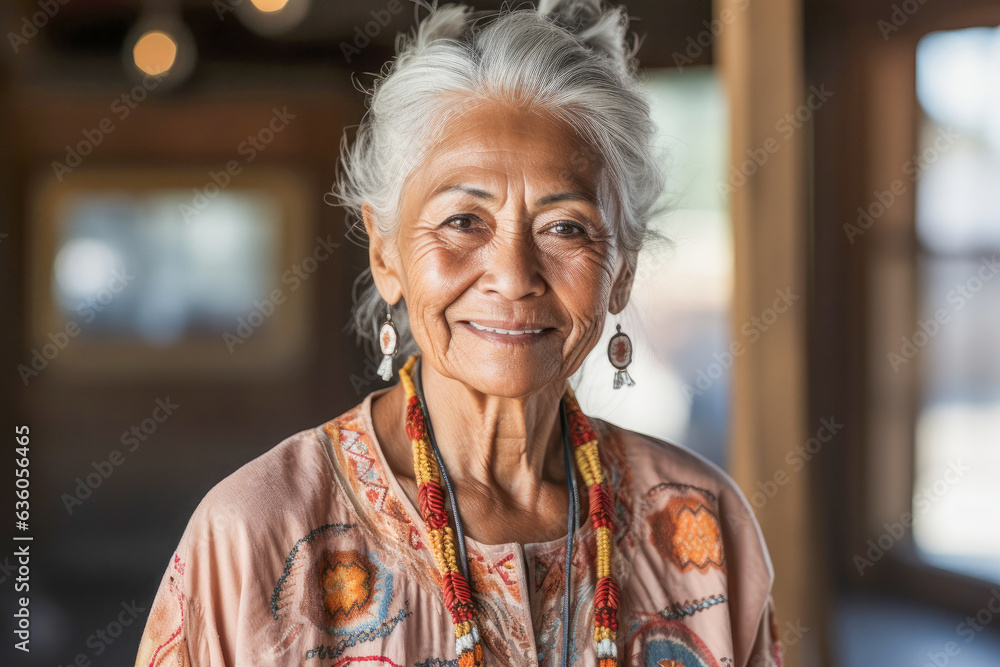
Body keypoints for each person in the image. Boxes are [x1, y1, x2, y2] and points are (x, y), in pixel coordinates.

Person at [134, 1, 782, 666]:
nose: (512, 274)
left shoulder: (705, 527)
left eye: (566, 227)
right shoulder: (255, 532)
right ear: (386, 255)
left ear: (622, 270)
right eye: (463, 220)